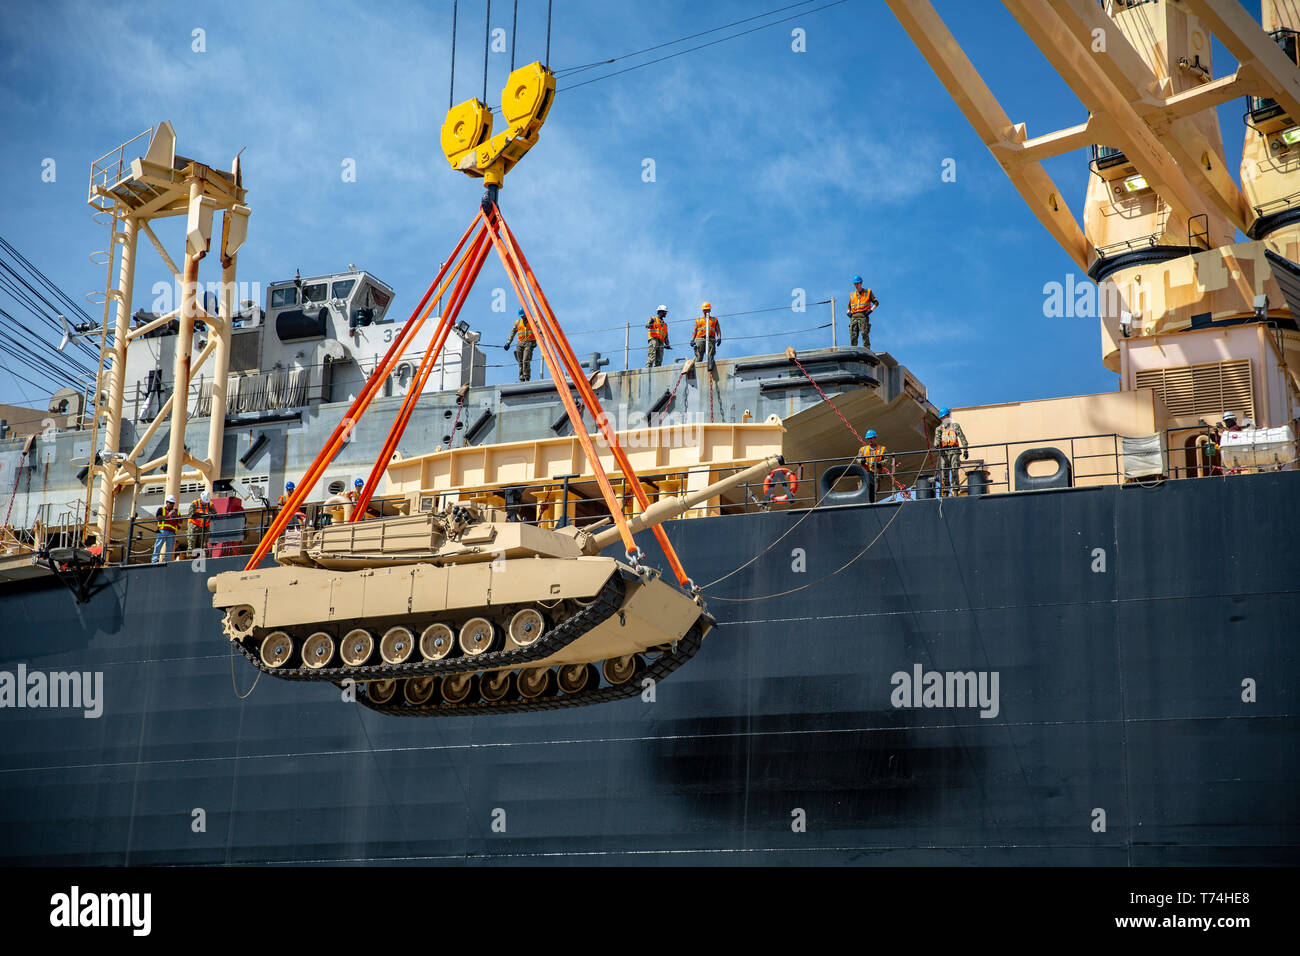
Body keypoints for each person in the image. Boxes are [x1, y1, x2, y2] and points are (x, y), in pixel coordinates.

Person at [932, 407, 969, 497]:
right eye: (943, 417)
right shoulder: (939, 429)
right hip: (944, 452)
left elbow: (962, 437)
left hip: (954, 451)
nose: (945, 418)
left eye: (946, 416)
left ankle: (955, 490)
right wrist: (936, 445)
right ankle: (946, 491)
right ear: (941, 418)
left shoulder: (955, 426)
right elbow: (937, 439)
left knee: (954, 470)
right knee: (944, 471)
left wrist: (965, 449)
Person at [503, 308, 536, 382]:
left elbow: (541, 327)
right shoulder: (518, 322)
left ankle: (526, 377)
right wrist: (508, 343)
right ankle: (521, 378)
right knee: (520, 361)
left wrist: (541, 334)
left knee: (525, 360)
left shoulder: (533, 321)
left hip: (529, 343)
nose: (522, 317)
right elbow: (513, 333)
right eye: (521, 316)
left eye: (523, 316)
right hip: (520, 344)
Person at [857, 429, 890, 503]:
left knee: (873, 491)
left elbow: (887, 460)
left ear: (875, 438)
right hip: (865, 474)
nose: (869, 440)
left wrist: (879, 464)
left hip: (876, 475)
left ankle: (871, 503)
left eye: (871, 438)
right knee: (864, 491)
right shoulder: (863, 449)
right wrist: (861, 461)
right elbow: (858, 459)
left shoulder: (882, 449)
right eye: (868, 439)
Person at [847, 275, 879, 349]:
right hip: (853, 318)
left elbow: (876, 303)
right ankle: (853, 351)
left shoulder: (868, 292)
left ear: (861, 283)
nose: (856, 285)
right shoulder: (852, 295)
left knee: (864, 333)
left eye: (858, 283)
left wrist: (871, 310)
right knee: (853, 335)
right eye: (855, 284)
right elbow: (849, 307)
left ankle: (867, 350)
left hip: (863, 317)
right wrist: (848, 312)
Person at [152, 494, 180, 563]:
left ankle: (167, 561)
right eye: (170, 503)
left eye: (173, 503)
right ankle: (155, 560)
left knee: (170, 548)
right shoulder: (161, 509)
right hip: (162, 530)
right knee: (158, 546)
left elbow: (180, 521)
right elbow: (158, 518)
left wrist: (176, 515)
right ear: (166, 502)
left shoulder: (176, 512)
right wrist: (168, 515)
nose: (171, 504)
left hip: (172, 532)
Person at [186, 490, 216, 556]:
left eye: (206, 502)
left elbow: (215, 514)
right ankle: (190, 556)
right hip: (194, 525)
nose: (205, 504)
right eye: (204, 502)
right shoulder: (195, 503)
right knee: (192, 540)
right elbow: (191, 514)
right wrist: (202, 515)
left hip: (205, 526)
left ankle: (204, 556)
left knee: (204, 543)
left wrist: (209, 516)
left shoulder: (210, 505)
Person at [692, 302, 721, 367]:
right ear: (703, 310)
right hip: (700, 339)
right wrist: (692, 340)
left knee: (711, 353)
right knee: (699, 354)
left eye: (708, 309)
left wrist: (719, 338)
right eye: (705, 309)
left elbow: (718, 330)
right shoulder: (698, 320)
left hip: (710, 338)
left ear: (710, 310)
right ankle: (697, 367)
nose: (706, 311)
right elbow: (695, 330)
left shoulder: (714, 319)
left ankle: (710, 366)